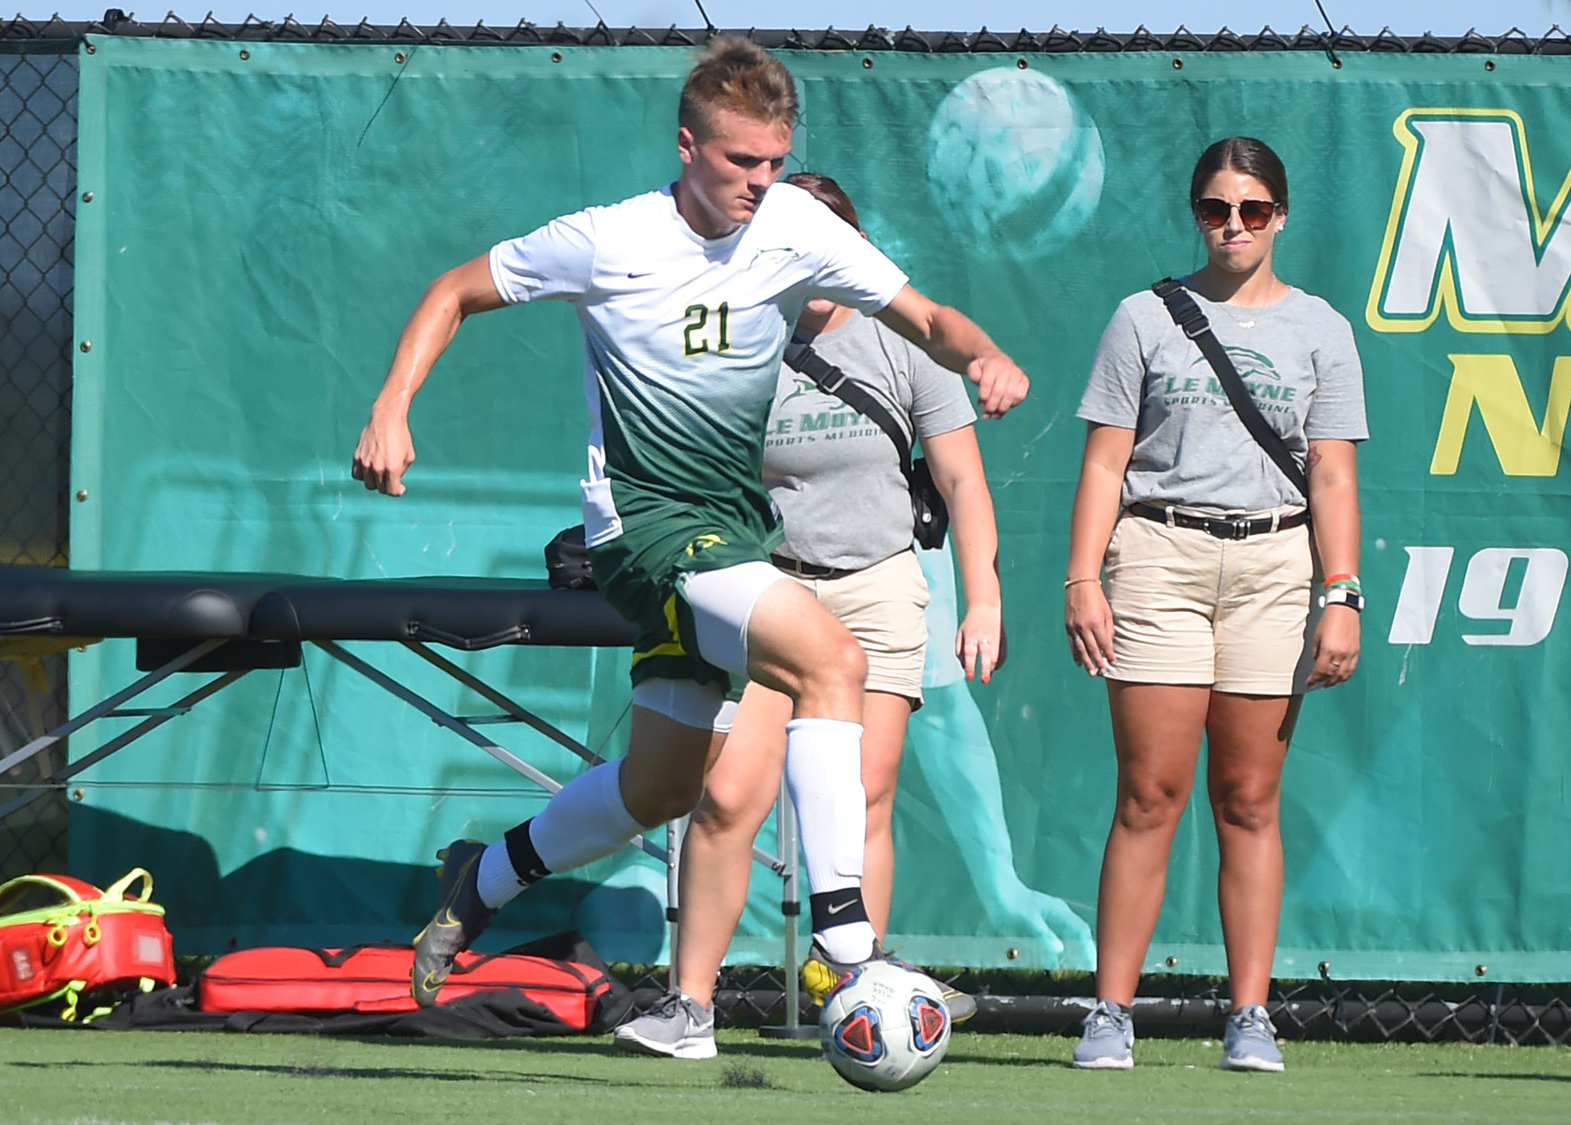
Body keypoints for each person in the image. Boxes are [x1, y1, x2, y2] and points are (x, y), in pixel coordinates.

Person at [350, 37, 1030, 1011]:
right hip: (643, 534)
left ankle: (483, 876)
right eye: (738, 161)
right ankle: (846, 946)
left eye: (772, 161)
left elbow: (927, 320)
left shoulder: (796, 223)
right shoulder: (608, 239)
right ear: (685, 145)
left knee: (660, 789)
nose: (759, 181)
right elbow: (453, 290)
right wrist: (390, 408)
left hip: (730, 536)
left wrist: (985, 356)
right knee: (830, 661)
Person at [613, 172, 1011, 1058]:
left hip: (876, 586)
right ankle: (690, 1007)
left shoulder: (903, 340)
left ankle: (851, 983)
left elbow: (961, 480)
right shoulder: (735, 338)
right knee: (724, 795)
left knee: (866, 795)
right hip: (765, 588)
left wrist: (982, 598)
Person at [1062, 136, 1367, 1073]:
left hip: (1276, 565)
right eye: (1214, 209)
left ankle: (1250, 1015)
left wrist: (1342, 593)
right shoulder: (1144, 317)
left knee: (1248, 799)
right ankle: (1111, 1011)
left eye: (1253, 210)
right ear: (1195, 213)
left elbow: (1333, 475)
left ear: (1280, 216)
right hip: (1158, 556)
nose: (1232, 226)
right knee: (1149, 794)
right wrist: (1082, 578)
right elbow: (1107, 460)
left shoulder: (1321, 327)